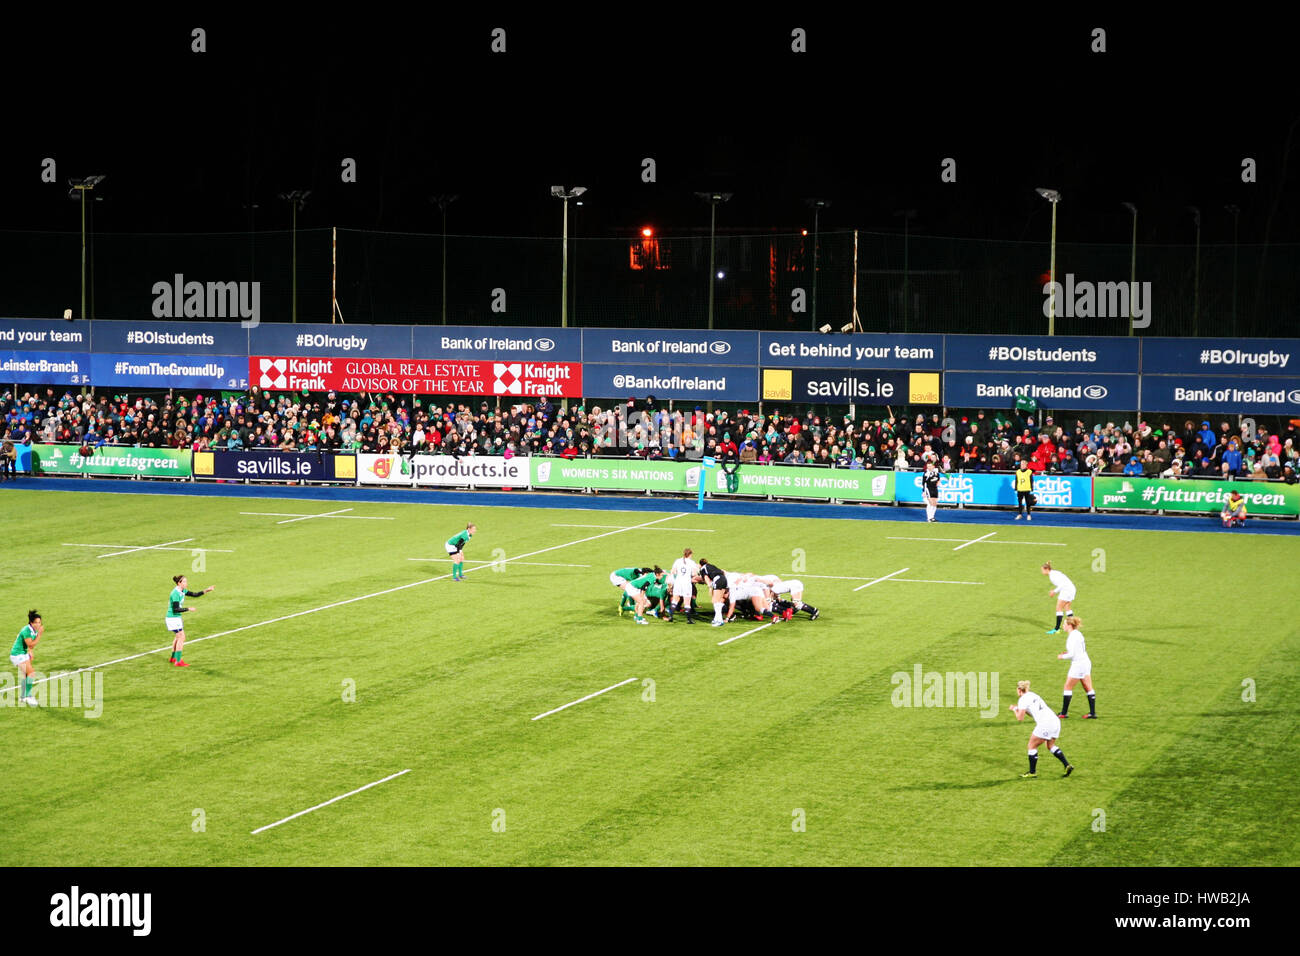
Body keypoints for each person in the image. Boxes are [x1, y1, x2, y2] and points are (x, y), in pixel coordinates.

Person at [1009, 679, 1074, 778]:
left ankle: (1032, 772)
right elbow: (1032, 713)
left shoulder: (1022, 700)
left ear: (1019, 690)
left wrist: (1014, 709)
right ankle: (1067, 765)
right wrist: (1021, 709)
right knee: (1050, 746)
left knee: (1031, 746)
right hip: (1055, 721)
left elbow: (1020, 718)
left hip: (1045, 724)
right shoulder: (1033, 695)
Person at [167, 574, 215, 667]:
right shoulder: (175, 593)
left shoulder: (182, 590)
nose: (186, 583)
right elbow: (176, 609)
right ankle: (178, 661)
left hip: (175, 618)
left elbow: (194, 594)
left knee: (178, 637)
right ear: (179, 583)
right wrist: (188, 609)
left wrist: (207, 590)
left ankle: (173, 658)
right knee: (181, 637)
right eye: (184, 581)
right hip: (173, 618)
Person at [1056, 615, 1097, 719]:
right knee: (1088, 687)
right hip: (1085, 662)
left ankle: (1063, 713)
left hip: (1078, 664)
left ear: (1070, 625)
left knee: (1067, 687)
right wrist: (1068, 653)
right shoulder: (1078, 634)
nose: (1063, 626)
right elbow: (1078, 650)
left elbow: (1072, 654)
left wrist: (1062, 656)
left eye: (1064, 624)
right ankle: (1092, 713)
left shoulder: (1072, 637)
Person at [10, 609, 42, 706]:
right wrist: (40, 635)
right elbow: (31, 644)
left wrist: (30, 652)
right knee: (31, 673)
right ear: (31, 623)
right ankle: (28, 696)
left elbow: (29, 645)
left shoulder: (32, 629)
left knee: (25, 674)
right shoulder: (26, 630)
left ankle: (23, 697)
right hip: (17, 655)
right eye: (36, 622)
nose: (38, 624)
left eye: (39, 622)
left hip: (23, 654)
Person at [1041, 562, 1075, 634]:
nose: (1042, 572)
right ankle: (1072, 627)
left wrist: (1054, 591)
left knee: (1058, 608)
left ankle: (1057, 629)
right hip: (1072, 589)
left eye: (1042, 570)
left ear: (1047, 569)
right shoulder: (1055, 572)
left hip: (1066, 590)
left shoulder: (1052, 576)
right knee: (1067, 608)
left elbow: (1061, 584)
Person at [668, 548, 700, 623]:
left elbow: (673, 571)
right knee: (687, 602)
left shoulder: (677, 561)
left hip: (678, 582)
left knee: (675, 600)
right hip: (687, 583)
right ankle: (689, 619)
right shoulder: (692, 563)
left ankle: (671, 616)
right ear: (690, 554)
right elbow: (694, 574)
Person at [695, 558, 730, 627]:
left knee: (715, 601)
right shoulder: (711, 566)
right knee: (719, 600)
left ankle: (719, 621)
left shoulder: (702, 569)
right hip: (724, 579)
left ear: (700, 565)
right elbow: (722, 572)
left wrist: (710, 586)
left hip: (718, 580)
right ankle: (716, 618)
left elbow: (706, 578)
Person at [922, 457, 941, 522]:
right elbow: (923, 483)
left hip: (935, 489)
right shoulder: (926, 474)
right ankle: (929, 518)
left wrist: (938, 482)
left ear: (933, 466)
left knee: (935, 503)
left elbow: (938, 479)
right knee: (930, 503)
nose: (929, 467)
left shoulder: (936, 473)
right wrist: (924, 491)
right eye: (928, 466)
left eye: (930, 466)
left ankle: (932, 517)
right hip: (928, 489)